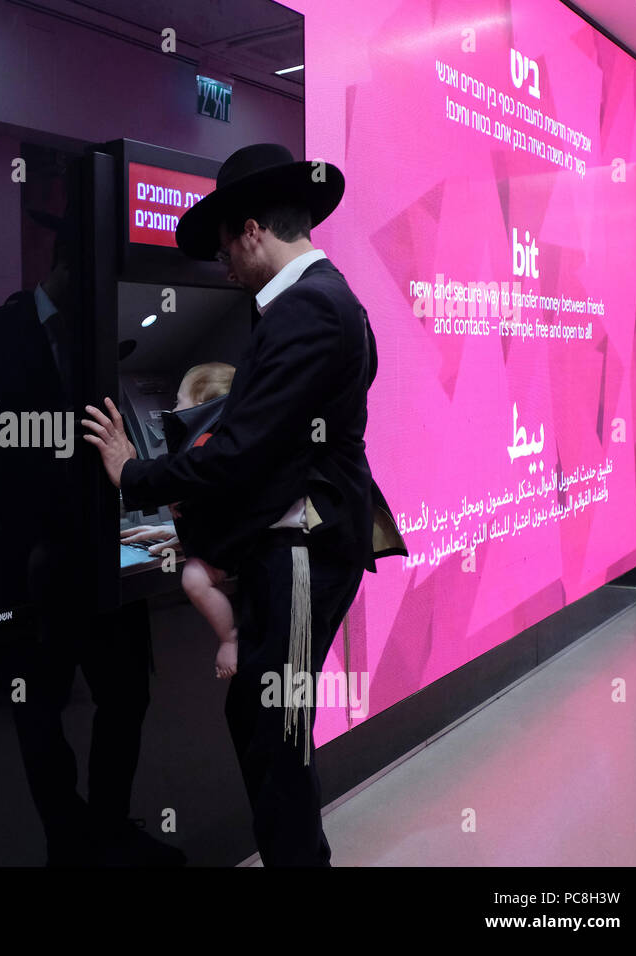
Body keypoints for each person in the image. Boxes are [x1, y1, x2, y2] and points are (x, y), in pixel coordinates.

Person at [83, 143, 407, 867]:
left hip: (299, 554)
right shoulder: (327, 302)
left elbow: (242, 451)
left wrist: (134, 473)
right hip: (294, 546)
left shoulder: (308, 309)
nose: (222, 266)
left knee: (277, 740)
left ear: (253, 229)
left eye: (225, 245)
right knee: (263, 725)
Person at [0, 203, 181, 867]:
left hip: (107, 554)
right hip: (32, 560)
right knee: (37, 704)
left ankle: (109, 826)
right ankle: (68, 836)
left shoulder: (108, 333)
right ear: (67, 267)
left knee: (127, 696)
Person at [165, 362, 244, 680]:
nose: (173, 409)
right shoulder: (231, 435)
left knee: (194, 581)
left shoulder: (202, 441)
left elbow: (199, 485)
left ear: (199, 405)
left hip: (223, 547)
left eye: (178, 401)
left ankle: (228, 639)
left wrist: (177, 498)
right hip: (229, 542)